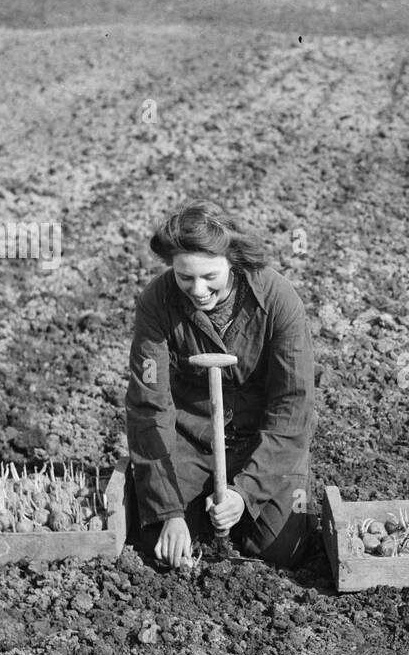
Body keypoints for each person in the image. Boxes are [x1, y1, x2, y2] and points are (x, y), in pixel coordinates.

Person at [124, 200, 317, 569]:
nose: (197, 290)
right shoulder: (156, 302)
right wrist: (169, 512)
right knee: (159, 545)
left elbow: (292, 406)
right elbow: (149, 405)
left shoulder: (278, 300)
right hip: (191, 440)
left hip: (262, 440)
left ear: (232, 260)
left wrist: (244, 493)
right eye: (185, 277)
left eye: (209, 276)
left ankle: (274, 485)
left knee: (279, 551)